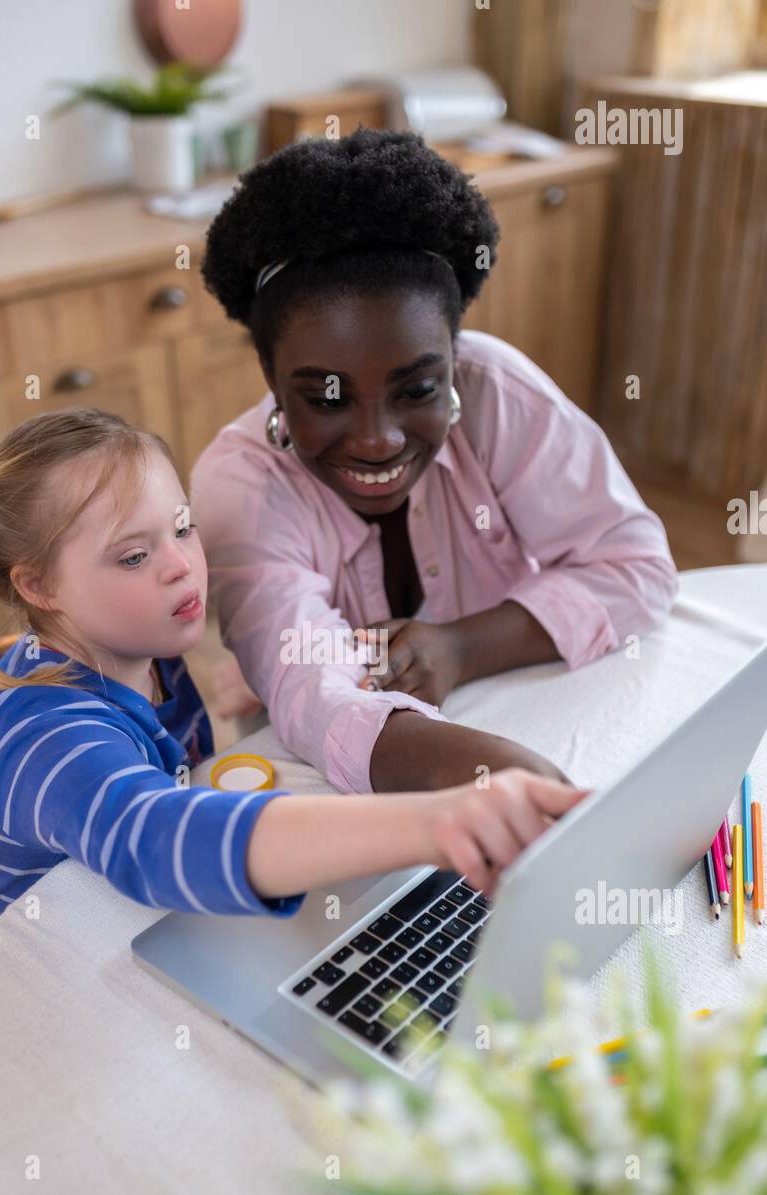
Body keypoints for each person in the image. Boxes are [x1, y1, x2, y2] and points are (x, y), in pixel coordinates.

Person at [0, 407, 587, 941]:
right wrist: (432, 823)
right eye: (133, 555)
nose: (182, 566)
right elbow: (149, 836)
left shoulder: (136, 642)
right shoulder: (44, 731)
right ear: (38, 586)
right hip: (53, 976)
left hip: (131, 931)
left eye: (183, 528)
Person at [192, 127, 679, 796]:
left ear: (456, 356)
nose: (377, 440)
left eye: (417, 390)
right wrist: (503, 779)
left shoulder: (499, 392)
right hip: (333, 774)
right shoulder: (239, 483)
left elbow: (636, 566)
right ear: (271, 378)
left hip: (517, 703)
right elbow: (312, 686)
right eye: (326, 398)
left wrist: (461, 647)